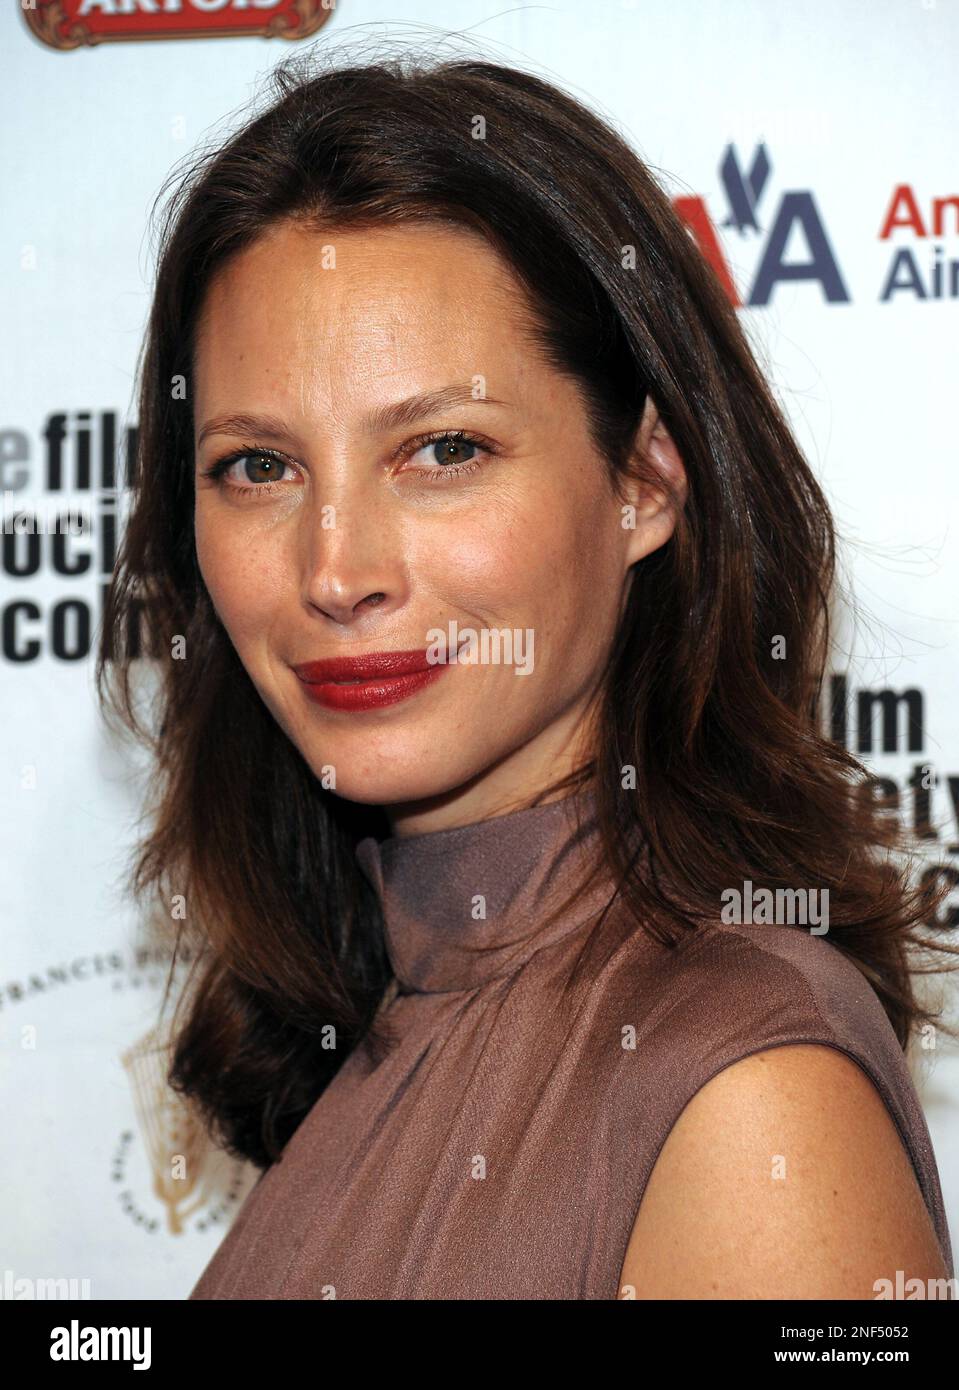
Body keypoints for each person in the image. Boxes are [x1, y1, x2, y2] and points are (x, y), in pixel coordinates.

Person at [97, 48, 957, 1300]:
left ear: (644, 481)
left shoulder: (744, 1095)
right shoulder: (380, 1024)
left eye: (443, 448)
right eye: (257, 467)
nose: (335, 569)